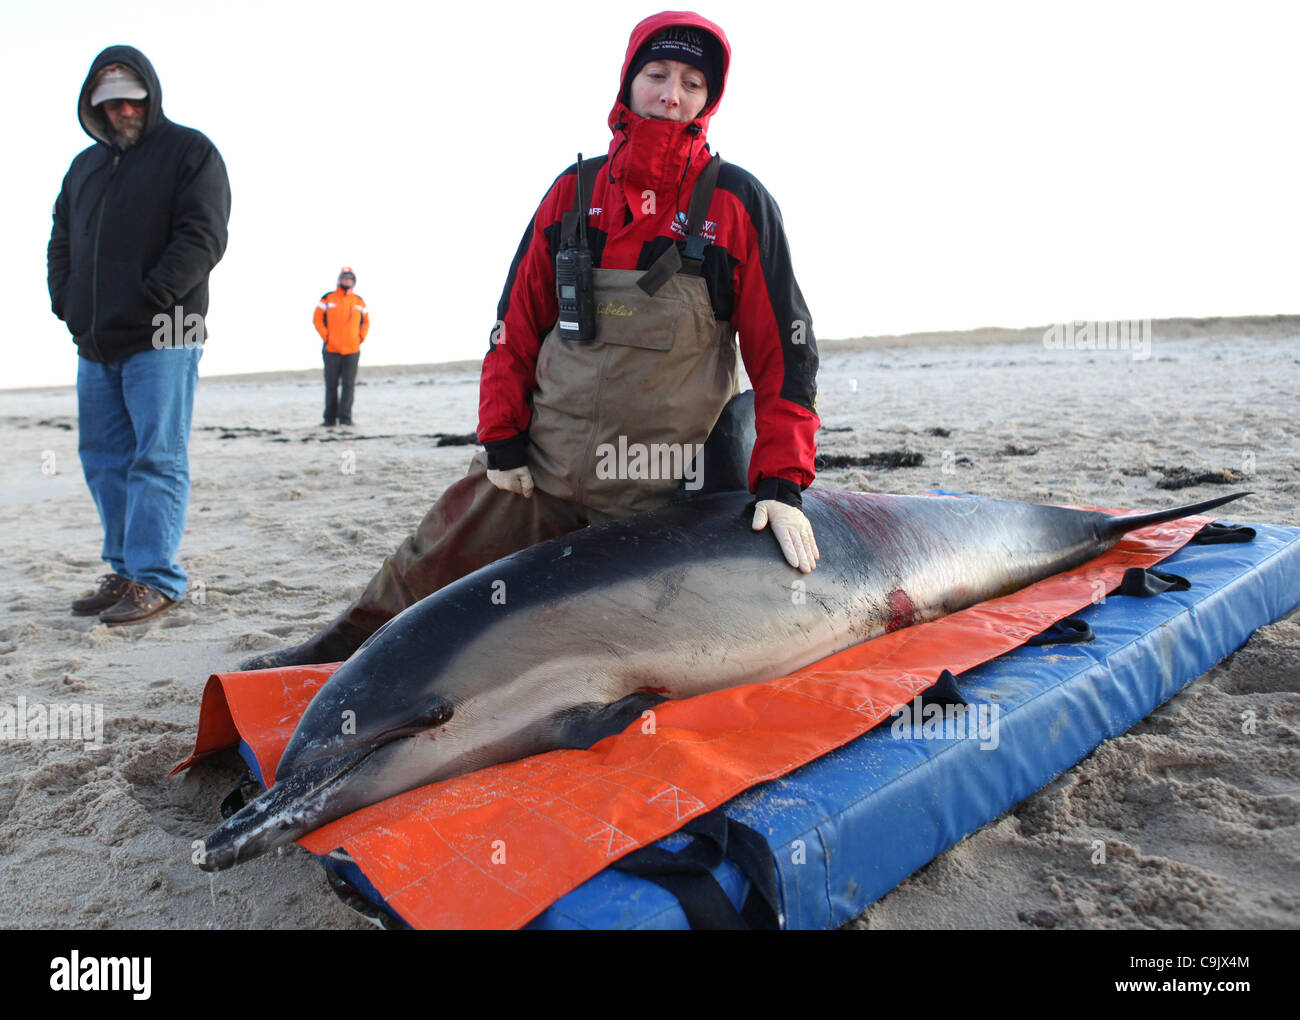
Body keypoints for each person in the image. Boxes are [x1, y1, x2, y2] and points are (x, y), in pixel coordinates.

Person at [241, 11, 819, 670]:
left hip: (653, 494)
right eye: (657, 75)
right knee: (432, 556)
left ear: (708, 99)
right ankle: (331, 657)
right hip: (540, 471)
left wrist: (779, 486)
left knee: (619, 648)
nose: (671, 94)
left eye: (691, 82)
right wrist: (502, 440)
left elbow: (786, 353)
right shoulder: (573, 194)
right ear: (628, 83)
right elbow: (513, 327)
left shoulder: (737, 203)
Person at [48, 46, 231, 627]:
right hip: (96, 337)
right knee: (103, 457)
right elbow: (61, 240)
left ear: (149, 96)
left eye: (132, 99)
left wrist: (148, 297)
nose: (122, 109)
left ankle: (155, 578)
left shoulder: (190, 151)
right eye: (110, 102)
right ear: (94, 107)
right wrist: (67, 303)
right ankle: (126, 568)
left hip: (169, 326)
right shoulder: (83, 168)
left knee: (156, 455)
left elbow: (203, 238)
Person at [314, 266, 369, 426]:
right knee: (331, 385)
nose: (347, 281)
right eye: (344, 278)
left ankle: (345, 419)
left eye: (350, 278)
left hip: (352, 350)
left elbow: (366, 322)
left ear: (354, 281)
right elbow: (317, 319)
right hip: (331, 349)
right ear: (340, 279)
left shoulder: (359, 301)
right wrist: (327, 337)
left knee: (349, 385)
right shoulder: (327, 298)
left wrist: (360, 337)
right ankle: (329, 419)